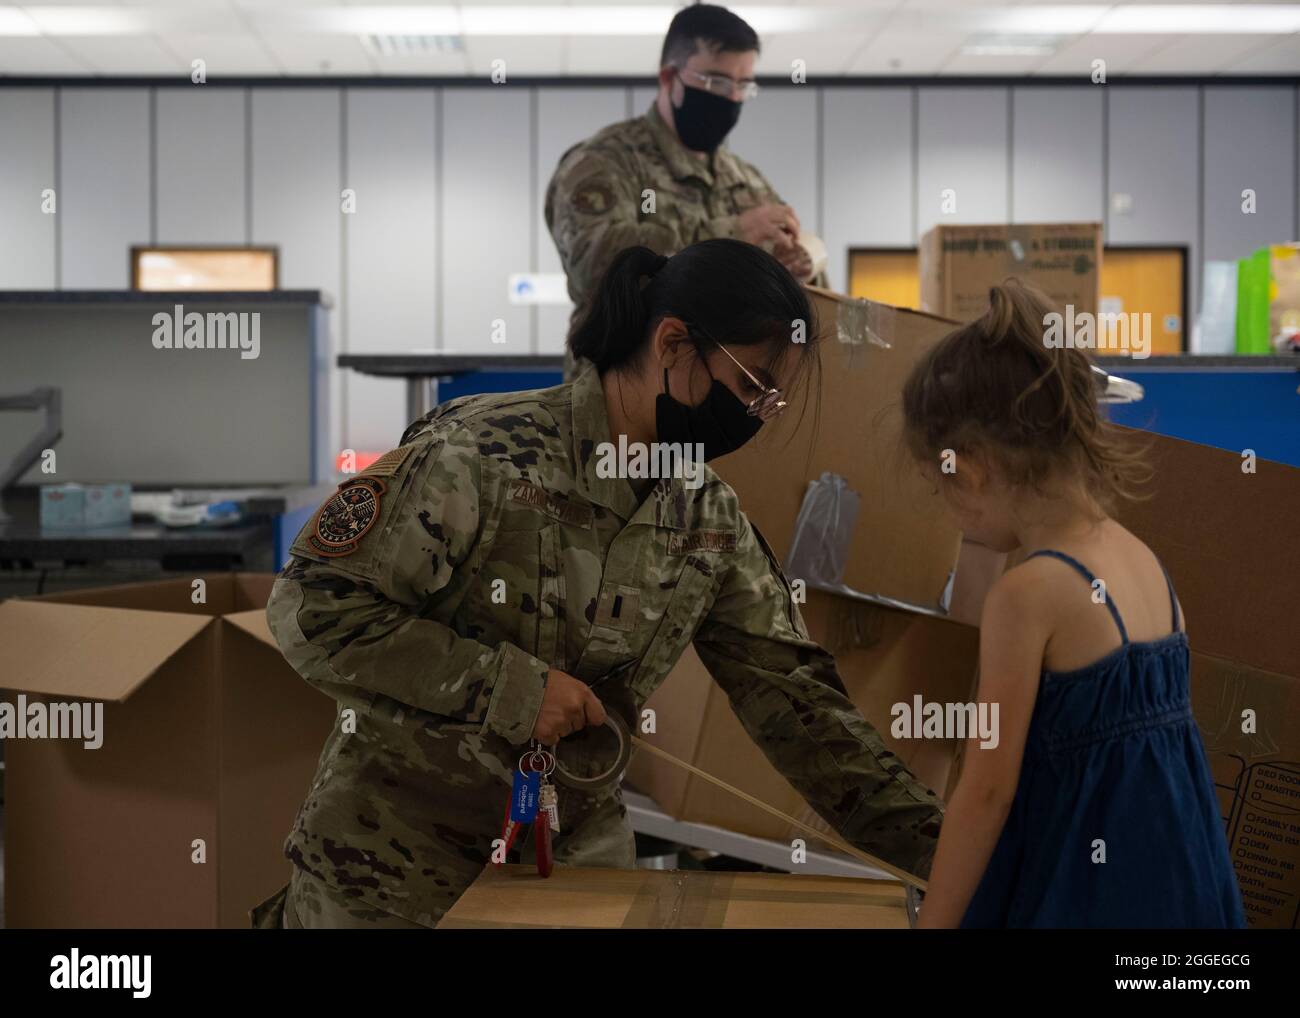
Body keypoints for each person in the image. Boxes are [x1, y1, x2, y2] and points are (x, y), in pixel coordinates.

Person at [250, 239, 942, 929]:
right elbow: (313, 610)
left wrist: (951, 853)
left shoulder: (707, 519)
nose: (757, 417)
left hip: (569, 872)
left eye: (772, 401)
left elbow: (802, 711)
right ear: (673, 343)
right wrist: (509, 690)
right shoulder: (481, 457)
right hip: (392, 876)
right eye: (751, 386)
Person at [903, 281, 1245, 929]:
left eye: (939, 487)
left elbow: (986, 792)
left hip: (1090, 893)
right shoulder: (1141, 558)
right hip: (1182, 881)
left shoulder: (1028, 592)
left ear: (970, 469)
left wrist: (934, 924)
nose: (949, 514)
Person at [545, 3, 825, 382]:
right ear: (668, 78)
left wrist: (802, 266)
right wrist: (733, 233)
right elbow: (595, 269)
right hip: (622, 395)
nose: (731, 98)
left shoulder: (746, 180)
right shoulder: (604, 162)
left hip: (727, 398)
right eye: (715, 82)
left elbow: (790, 294)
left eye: (743, 85)